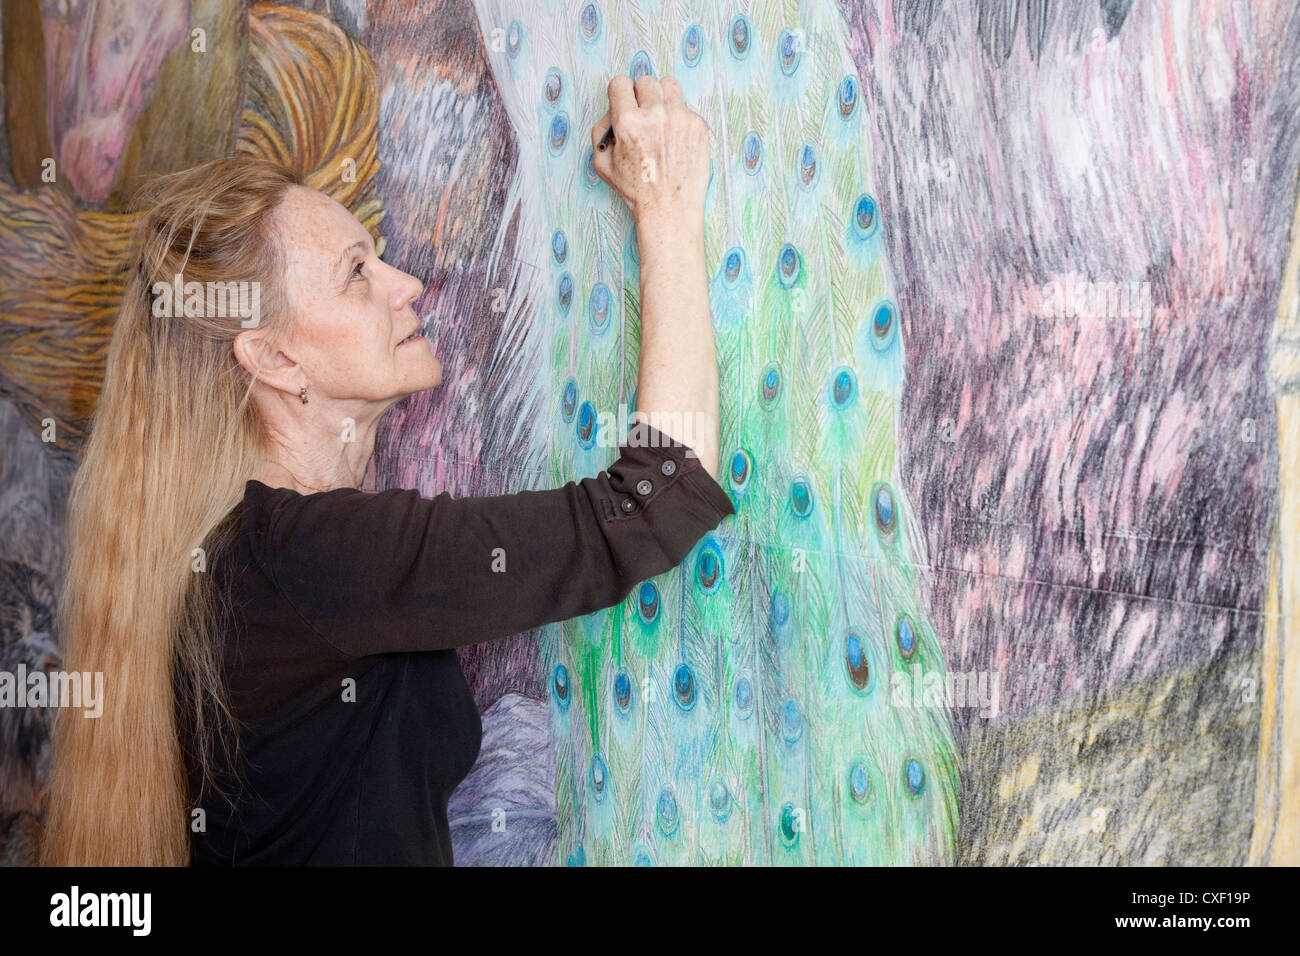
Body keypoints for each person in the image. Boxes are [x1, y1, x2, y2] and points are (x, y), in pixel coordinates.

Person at [39, 74, 732, 865]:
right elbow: (653, 502)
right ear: (272, 357)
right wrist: (668, 209)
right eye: (357, 273)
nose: (405, 286)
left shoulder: (251, 556)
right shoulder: (313, 557)